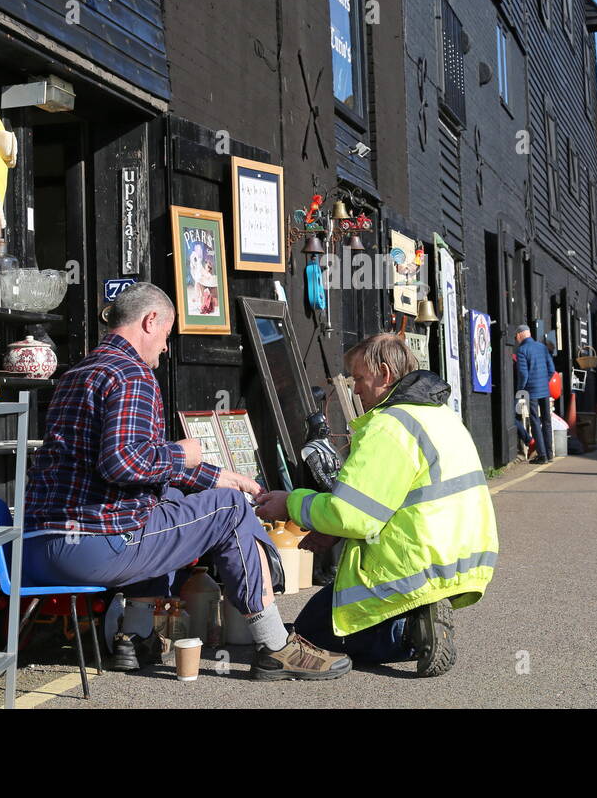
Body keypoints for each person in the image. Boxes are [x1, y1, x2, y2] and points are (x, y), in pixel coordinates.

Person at [23, 282, 351, 681]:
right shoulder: (132, 374)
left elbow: (126, 459)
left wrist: (214, 475)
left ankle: (136, 635)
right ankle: (275, 646)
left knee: (168, 502)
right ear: (150, 321)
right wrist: (183, 453)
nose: (165, 347)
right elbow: (123, 462)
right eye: (165, 335)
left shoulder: (79, 373)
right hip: (95, 551)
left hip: (37, 551)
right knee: (228, 510)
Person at [255, 334, 498, 677]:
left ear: (384, 374)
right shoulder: (441, 417)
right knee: (318, 621)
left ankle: (408, 631)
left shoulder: (388, 425)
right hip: (455, 562)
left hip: (410, 568)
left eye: (357, 378)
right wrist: (333, 532)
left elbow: (351, 515)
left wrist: (291, 504)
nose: (354, 389)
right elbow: (393, 501)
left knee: (309, 634)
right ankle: (417, 618)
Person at [514, 324, 556, 465]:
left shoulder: (522, 350)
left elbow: (523, 374)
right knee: (546, 420)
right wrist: (544, 382)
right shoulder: (542, 347)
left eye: (516, 337)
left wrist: (521, 390)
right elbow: (552, 369)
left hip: (531, 391)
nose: (516, 339)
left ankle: (542, 455)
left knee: (535, 422)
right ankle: (550, 454)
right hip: (544, 389)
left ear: (520, 335)